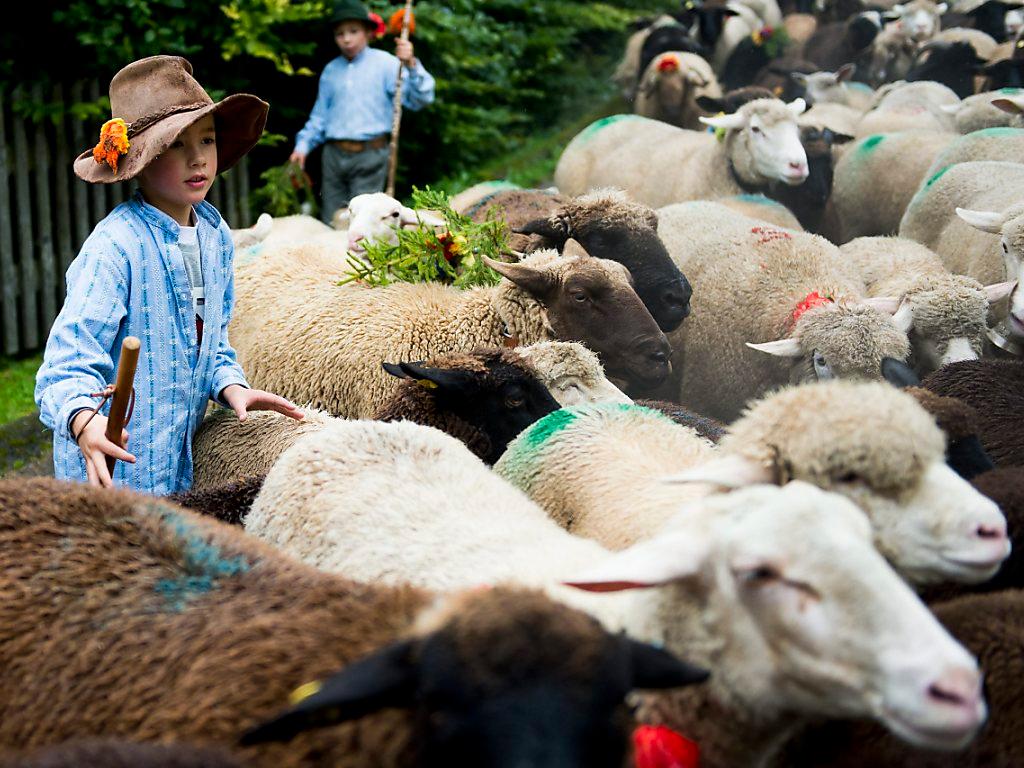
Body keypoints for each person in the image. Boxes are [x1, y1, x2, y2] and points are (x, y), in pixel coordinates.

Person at [35, 55, 304, 495]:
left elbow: (210, 340)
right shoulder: (115, 247)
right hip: (113, 468)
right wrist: (84, 422)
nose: (198, 158)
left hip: (177, 462)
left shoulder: (215, 238)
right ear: (139, 158)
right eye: (176, 144)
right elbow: (67, 364)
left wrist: (230, 384)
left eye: (208, 140)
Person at [289, 0, 436, 224]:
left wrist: (411, 64)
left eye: (354, 31)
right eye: (340, 33)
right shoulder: (331, 71)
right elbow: (320, 117)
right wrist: (303, 146)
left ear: (368, 32)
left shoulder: (387, 64)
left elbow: (421, 98)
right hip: (334, 156)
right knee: (333, 218)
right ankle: (329, 258)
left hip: (370, 155)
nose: (346, 39)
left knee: (364, 221)